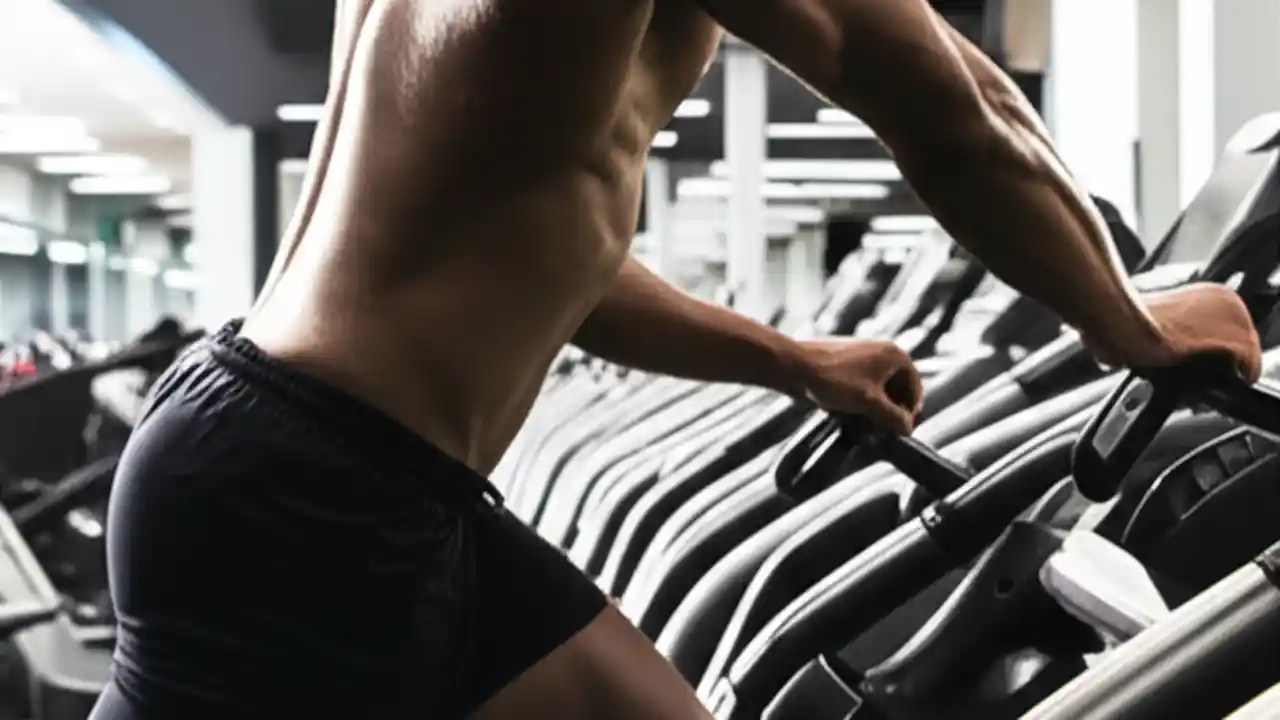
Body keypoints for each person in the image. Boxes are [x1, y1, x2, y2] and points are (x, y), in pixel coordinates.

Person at [90, 0, 1264, 718]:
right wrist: (1133, 324)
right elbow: (947, 105)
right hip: (317, 502)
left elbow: (552, 256)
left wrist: (793, 360)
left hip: (320, 463)